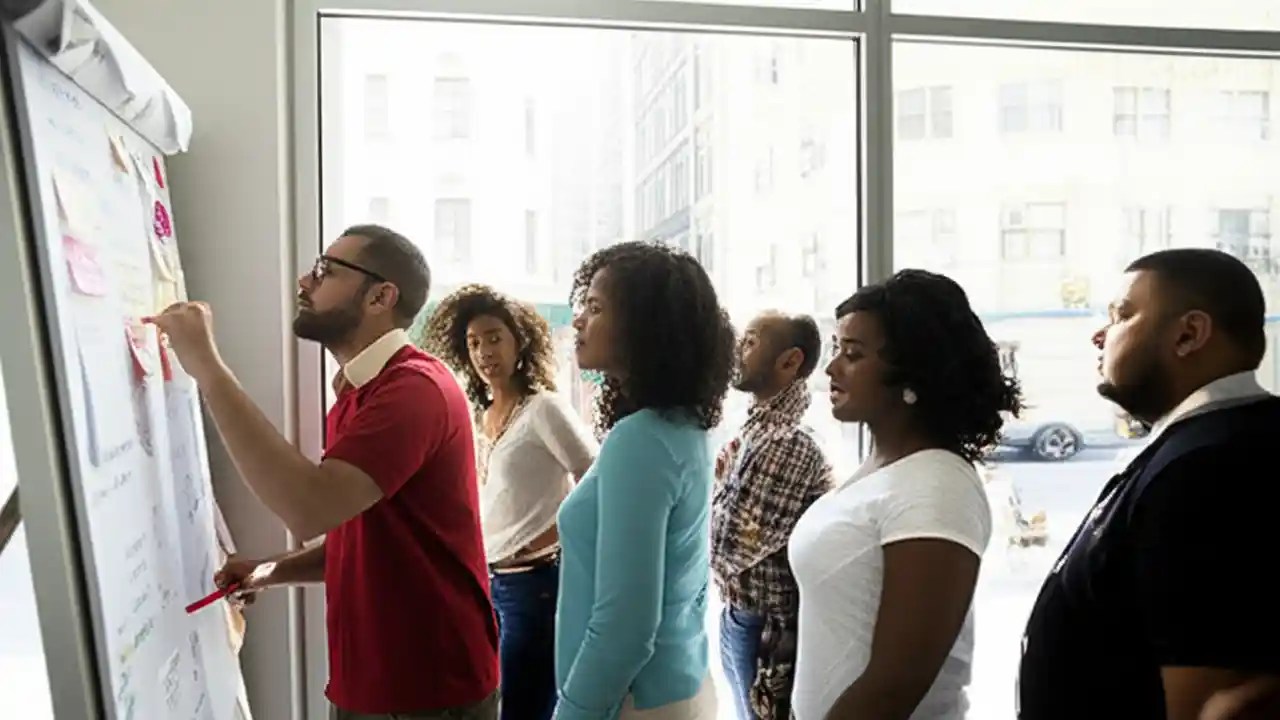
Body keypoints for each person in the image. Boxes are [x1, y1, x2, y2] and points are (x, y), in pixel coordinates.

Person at [147, 225, 499, 720]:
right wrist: (269, 571)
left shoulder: (414, 390)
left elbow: (310, 506)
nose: (303, 282)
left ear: (381, 296)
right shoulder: (360, 391)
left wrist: (206, 365)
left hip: (427, 689)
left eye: (324, 270)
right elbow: (364, 538)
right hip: (370, 684)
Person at [1018, 248, 1280, 720]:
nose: (1099, 335)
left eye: (1121, 315)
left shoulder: (1211, 467)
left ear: (1188, 334)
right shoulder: (1208, 444)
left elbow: (1212, 703)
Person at [788, 269, 1022, 720]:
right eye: (837, 350)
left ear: (912, 372)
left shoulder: (936, 486)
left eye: (852, 355)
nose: (832, 368)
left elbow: (896, 683)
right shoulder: (885, 468)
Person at [554, 241, 734, 720]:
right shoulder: (679, 424)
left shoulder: (641, 439)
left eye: (595, 307)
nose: (578, 321)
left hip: (632, 701)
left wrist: (572, 712)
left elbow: (625, 625)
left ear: (645, 327)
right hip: (676, 685)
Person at [421, 284, 596, 720]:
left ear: (520, 341)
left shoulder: (544, 409)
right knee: (498, 702)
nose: (484, 352)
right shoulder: (481, 416)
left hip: (536, 583)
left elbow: (595, 481)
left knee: (524, 707)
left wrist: (553, 538)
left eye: (494, 337)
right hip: (489, 583)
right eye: (474, 343)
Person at [712, 310, 833, 720]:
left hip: (762, 623)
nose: (738, 351)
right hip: (740, 612)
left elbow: (733, 542)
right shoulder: (759, 429)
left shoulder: (791, 441)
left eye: (750, 342)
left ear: (790, 361)